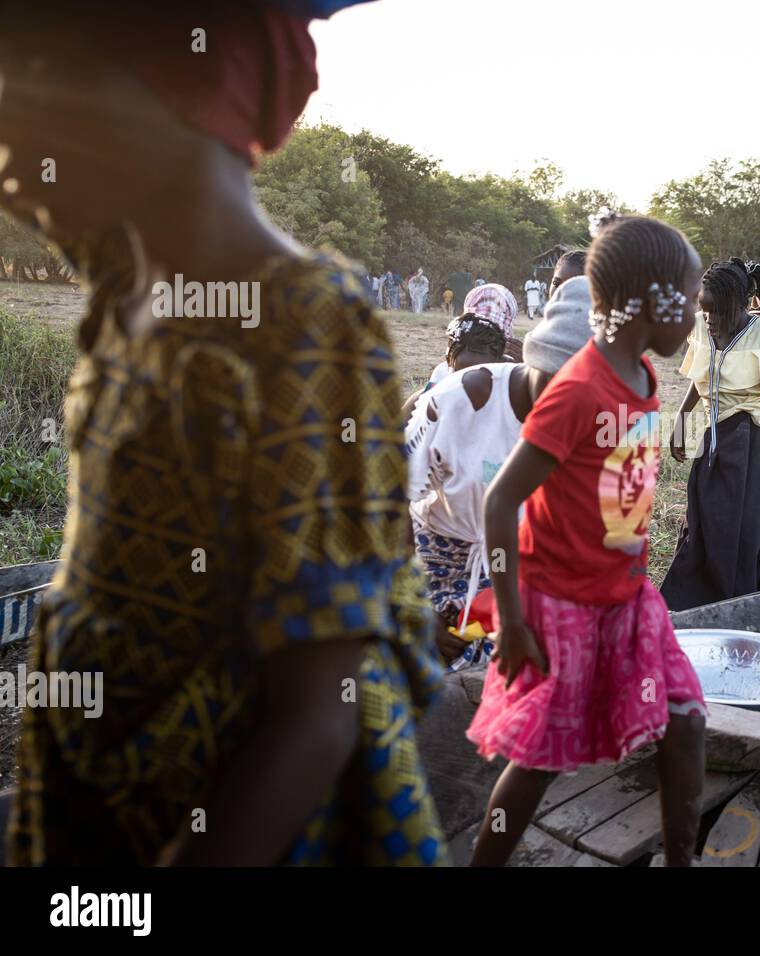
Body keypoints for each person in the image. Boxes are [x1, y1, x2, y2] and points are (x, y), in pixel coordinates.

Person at [2, 4, 445, 866]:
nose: (12, 158)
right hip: (97, 783)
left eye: (40, 88)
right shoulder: (121, 292)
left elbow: (319, 709)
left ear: (181, 96)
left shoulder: (306, 323)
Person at [467, 214, 706, 866]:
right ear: (652, 300)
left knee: (684, 721)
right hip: (560, 606)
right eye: (690, 298)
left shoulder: (646, 381)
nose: (696, 312)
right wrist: (511, 620)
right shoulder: (576, 390)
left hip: (625, 602)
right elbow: (500, 501)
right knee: (540, 759)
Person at [405, 279, 594, 671]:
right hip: (433, 567)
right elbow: (385, 502)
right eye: (558, 383)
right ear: (536, 357)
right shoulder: (459, 399)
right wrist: (413, 606)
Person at [660, 258, 760, 611]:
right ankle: (691, 606)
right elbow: (702, 375)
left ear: (741, 305)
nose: (710, 321)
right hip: (718, 438)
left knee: (743, 534)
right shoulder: (702, 327)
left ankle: (734, 610)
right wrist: (681, 419)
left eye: (718, 313)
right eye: (705, 312)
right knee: (703, 521)